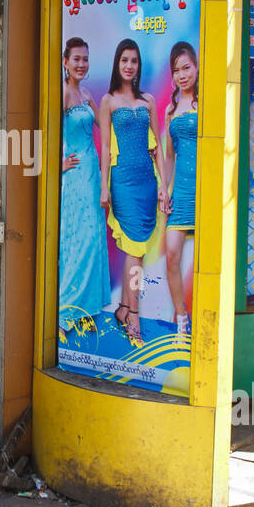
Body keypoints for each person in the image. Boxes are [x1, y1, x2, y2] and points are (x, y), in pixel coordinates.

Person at [99, 40, 167, 348]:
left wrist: (164, 185)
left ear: (138, 66)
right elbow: (104, 151)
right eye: (124, 60)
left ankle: (124, 307)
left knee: (134, 251)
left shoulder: (149, 100)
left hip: (147, 184)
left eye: (134, 61)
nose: (129, 65)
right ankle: (134, 314)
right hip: (122, 184)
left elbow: (158, 148)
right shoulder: (108, 101)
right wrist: (104, 187)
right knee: (136, 250)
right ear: (117, 64)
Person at [58, 38, 110, 331]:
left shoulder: (87, 94)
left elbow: (106, 128)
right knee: (78, 240)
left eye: (85, 59)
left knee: (93, 238)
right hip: (75, 178)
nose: (81, 64)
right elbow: (46, 130)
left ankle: (86, 309)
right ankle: (67, 309)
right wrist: (57, 163)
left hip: (93, 175)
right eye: (76, 59)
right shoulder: (63, 93)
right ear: (65, 62)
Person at [163, 41, 198, 344]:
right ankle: (180, 318)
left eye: (187, 67)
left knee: (203, 262)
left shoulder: (207, 102)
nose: (182, 75)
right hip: (181, 193)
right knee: (172, 255)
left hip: (206, 191)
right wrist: (165, 190)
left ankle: (206, 316)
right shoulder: (171, 110)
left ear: (197, 67)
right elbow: (169, 156)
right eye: (177, 70)